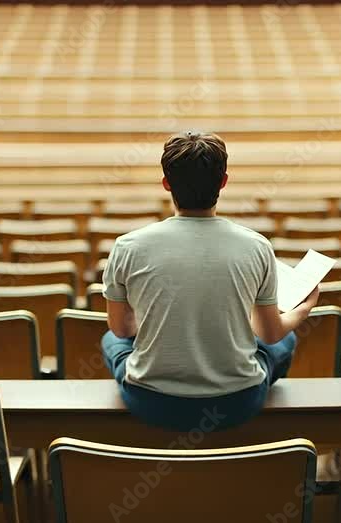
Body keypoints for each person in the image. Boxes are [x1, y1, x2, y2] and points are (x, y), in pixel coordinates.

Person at [101, 131, 319, 432]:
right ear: (223, 182)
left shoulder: (127, 247)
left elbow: (121, 328)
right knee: (285, 339)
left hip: (150, 402)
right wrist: (304, 309)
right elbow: (269, 334)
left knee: (112, 339)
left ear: (167, 183)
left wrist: (158, 321)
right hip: (238, 403)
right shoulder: (256, 246)